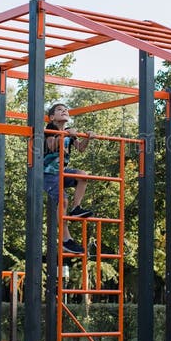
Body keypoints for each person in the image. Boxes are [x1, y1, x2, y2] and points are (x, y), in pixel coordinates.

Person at [43, 103, 96, 253]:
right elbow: (52, 146)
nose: (64, 111)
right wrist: (66, 135)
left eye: (66, 109)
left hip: (62, 172)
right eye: (60, 110)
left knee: (82, 175)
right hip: (47, 173)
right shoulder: (50, 129)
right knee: (63, 199)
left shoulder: (68, 132)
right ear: (52, 117)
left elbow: (81, 148)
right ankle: (66, 239)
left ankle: (76, 207)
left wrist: (88, 138)